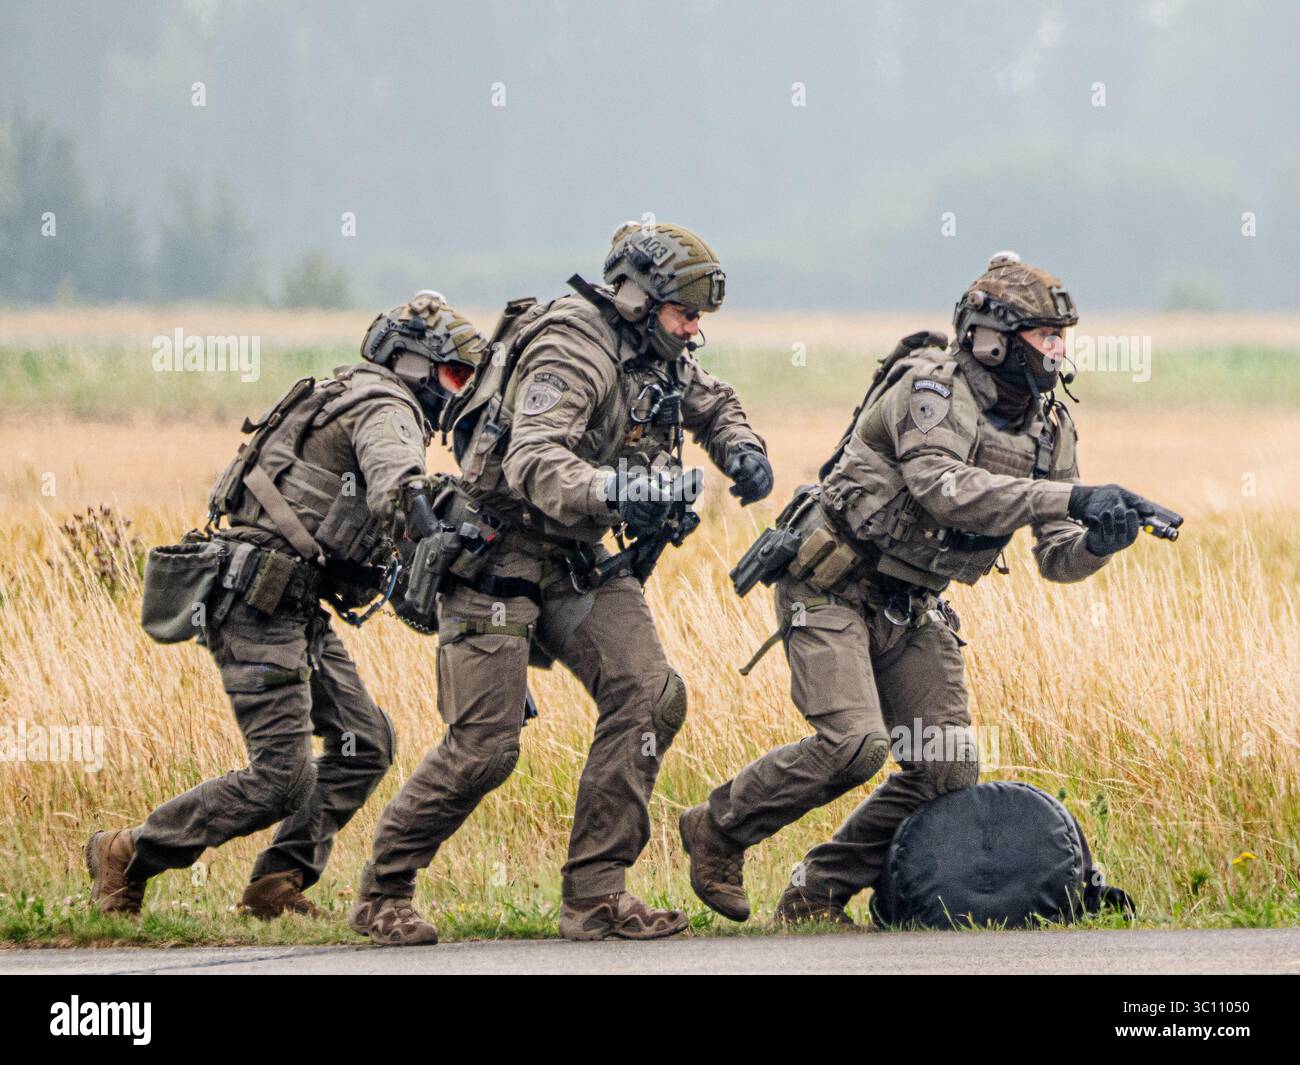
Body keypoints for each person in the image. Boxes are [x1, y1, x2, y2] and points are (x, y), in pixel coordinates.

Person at [682, 252, 1154, 925]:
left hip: (916, 606)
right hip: (832, 585)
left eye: (1062, 337)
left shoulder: (1050, 428)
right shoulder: (930, 391)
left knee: (945, 767)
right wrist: (1074, 495)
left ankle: (818, 887)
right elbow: (946, 489)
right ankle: (717, 829)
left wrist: (1099, 539)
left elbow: (1056, 557)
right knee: (854, 744)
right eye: (1046, 335)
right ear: (993, 339)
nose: (1058, 350)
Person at [350, 222, 772, 945]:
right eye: (686, 313)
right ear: (640, 297)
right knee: (487, 746)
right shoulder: (570, 348)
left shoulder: (655, 348)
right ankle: (382, 891)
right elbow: (536, 463)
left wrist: (740, 445)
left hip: (576, 558)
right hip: (497, 557)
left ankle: (597, 894)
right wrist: (619, 493)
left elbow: (711, 398)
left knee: (650, 693)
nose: (695, 329)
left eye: (700, 316)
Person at [86, 292, 482, 919]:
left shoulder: (344, 391)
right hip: (258, 601)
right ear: (411, 363)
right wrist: (460, 527)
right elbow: (401, 490)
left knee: (364, 741)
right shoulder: (387, 405)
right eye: (455, 375)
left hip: (286, 602)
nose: (458, 393)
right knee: (280, 778)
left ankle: (277, 884)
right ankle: (128, 852)